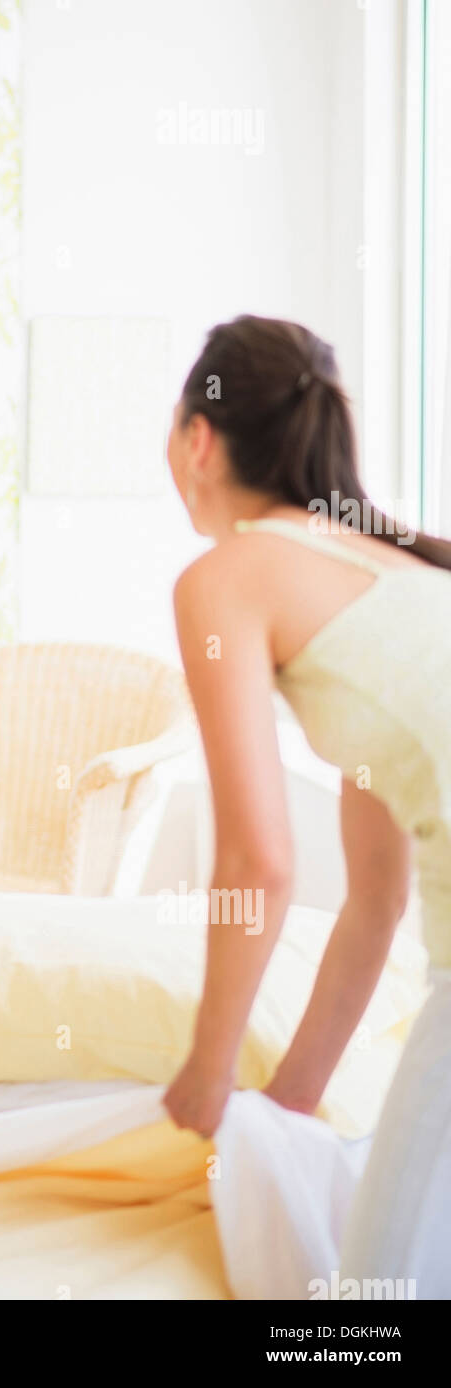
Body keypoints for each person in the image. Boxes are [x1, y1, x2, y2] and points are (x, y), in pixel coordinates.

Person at [161, 313, 451, 1296]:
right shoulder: (390, 577)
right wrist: (289, 1102)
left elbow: (257, 864)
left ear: (197, 439)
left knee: (367, 1308)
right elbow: (373, 906)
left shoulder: (228, 576)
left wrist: (206, 1074)